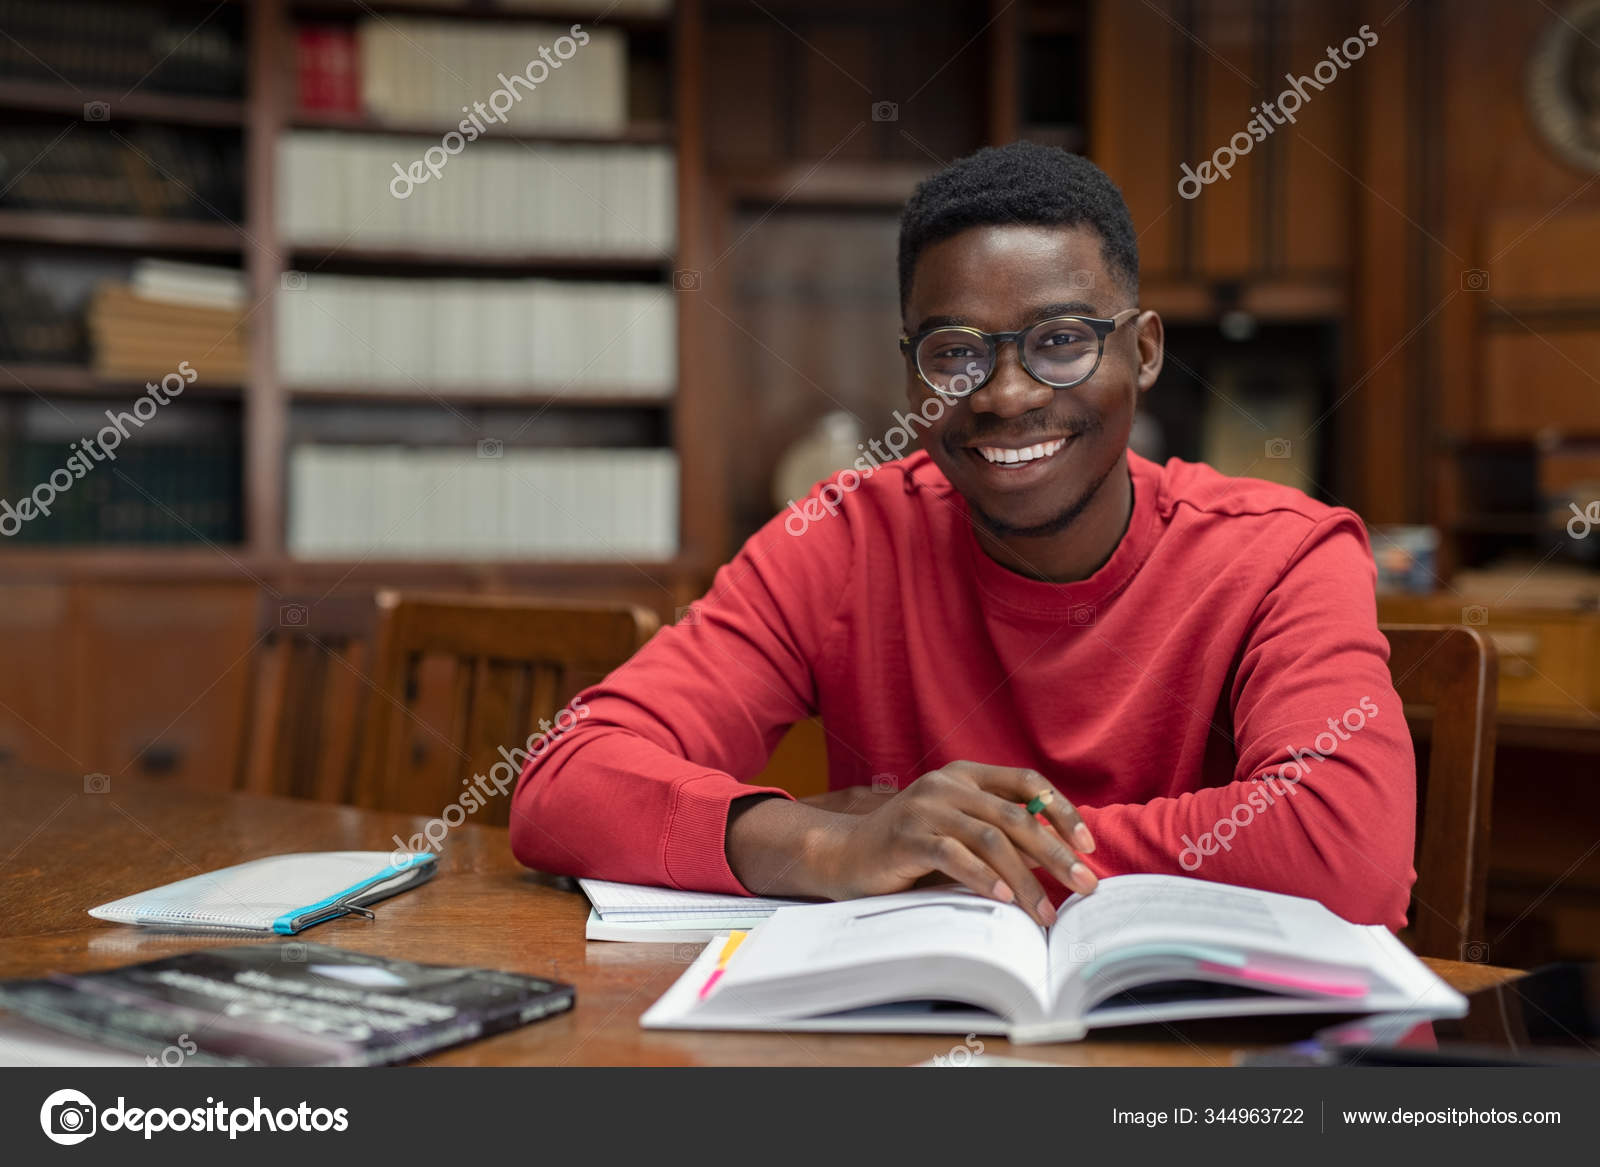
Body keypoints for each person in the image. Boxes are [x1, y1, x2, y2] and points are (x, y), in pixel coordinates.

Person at [510, 141, 1416, 931]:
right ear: (911, 373)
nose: (1006, 394)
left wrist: (962, 850)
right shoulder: (844, 538)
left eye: (1062, 340)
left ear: (1142, 352)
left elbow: (1345, 850)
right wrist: (833, 845)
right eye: (956, 352)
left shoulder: (1283, 554)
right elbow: (565, 783)